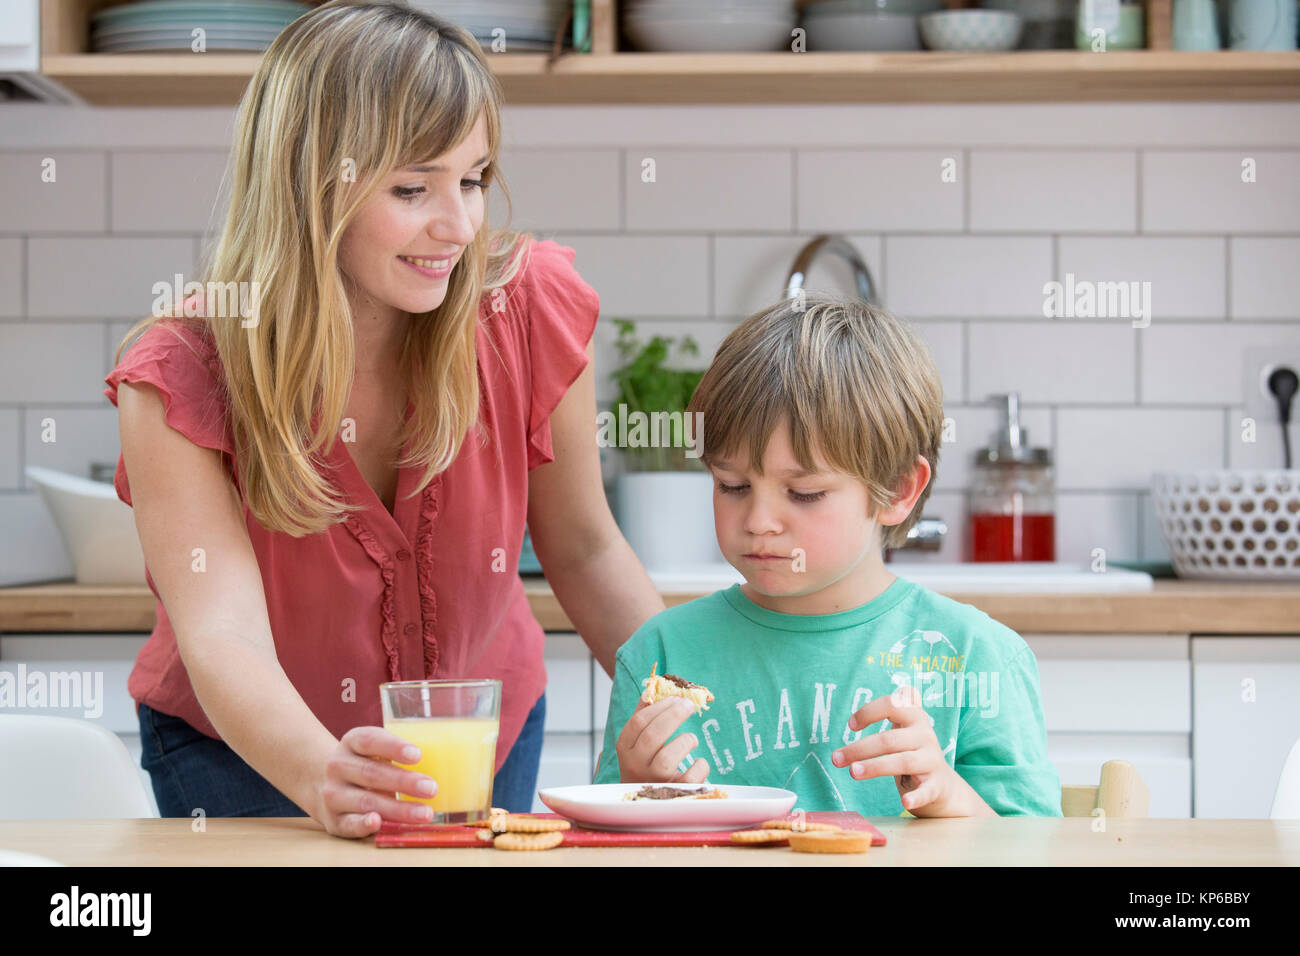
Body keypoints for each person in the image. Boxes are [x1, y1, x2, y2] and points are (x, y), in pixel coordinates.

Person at [104, 0, 664, 839]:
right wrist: (319, 772)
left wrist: (687, 704)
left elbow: (585, 549)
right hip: (246, 753)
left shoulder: (524, 311)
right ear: (307, 184)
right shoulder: (180, 373)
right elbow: (223, 636)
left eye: (472, 179)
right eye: (412, 188)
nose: (459, 224)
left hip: (480, 734)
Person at [594, 292, 1063, 817]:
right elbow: (605, 844)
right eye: (732, 485)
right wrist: (636, 794)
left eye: (805, 493)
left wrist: (949, 796)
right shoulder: (660, 653)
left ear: (897, 489)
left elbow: (1034, 847)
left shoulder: (977, 658)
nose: (758, 522)